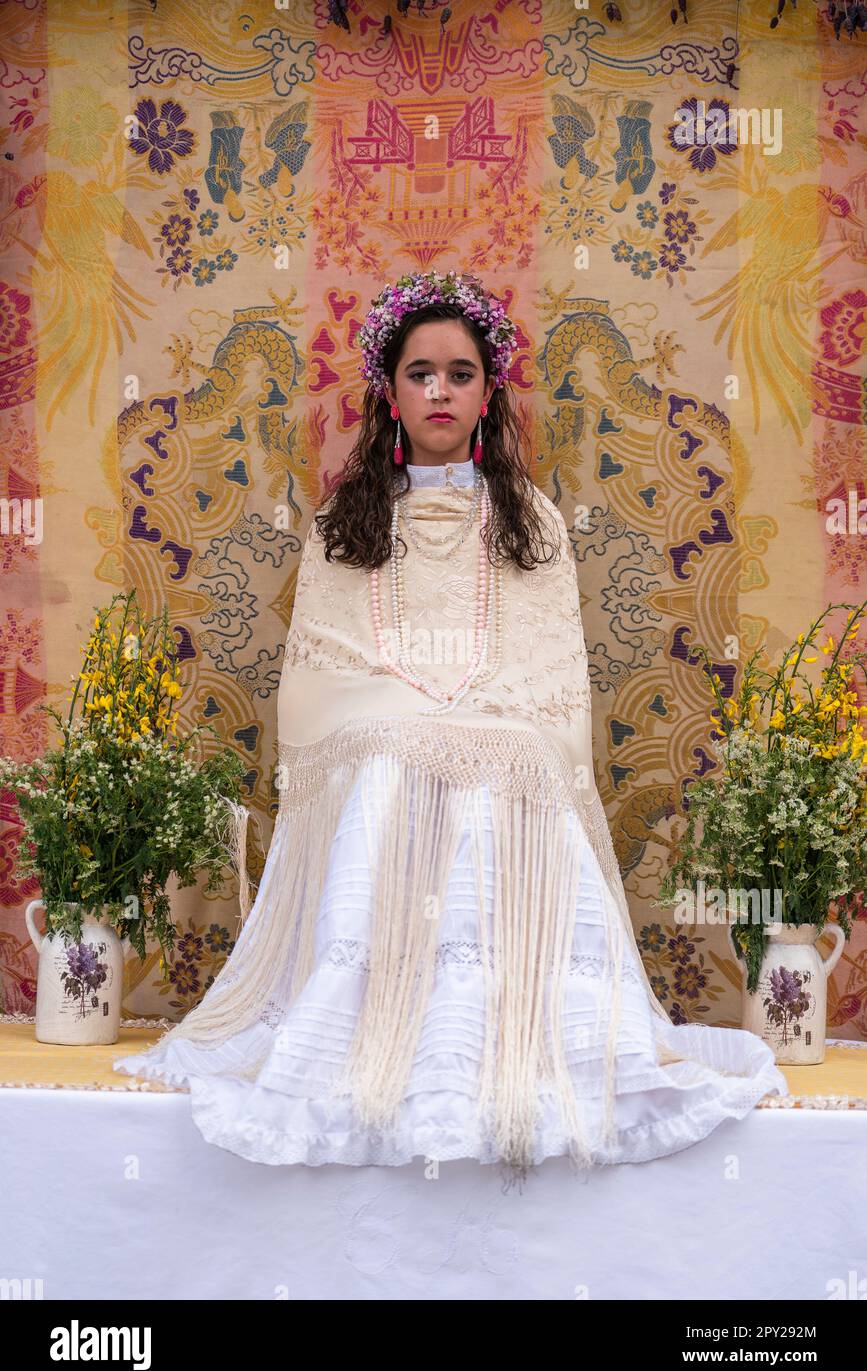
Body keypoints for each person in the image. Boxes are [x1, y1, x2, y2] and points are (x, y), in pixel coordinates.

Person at [114, 269, 788, 1188]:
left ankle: (498, 1034)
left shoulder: (533, 523)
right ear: (387, 393)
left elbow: (546, 676)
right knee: (394, 753)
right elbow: (323, 668)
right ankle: (378, 1027)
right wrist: (409, 711)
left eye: (460, 373)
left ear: (487, 393)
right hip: (376, 740)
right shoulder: (342, 525)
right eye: (420, 372)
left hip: (496, 735)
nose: (439, 390)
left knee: (502, 759)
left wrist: (474, 719)